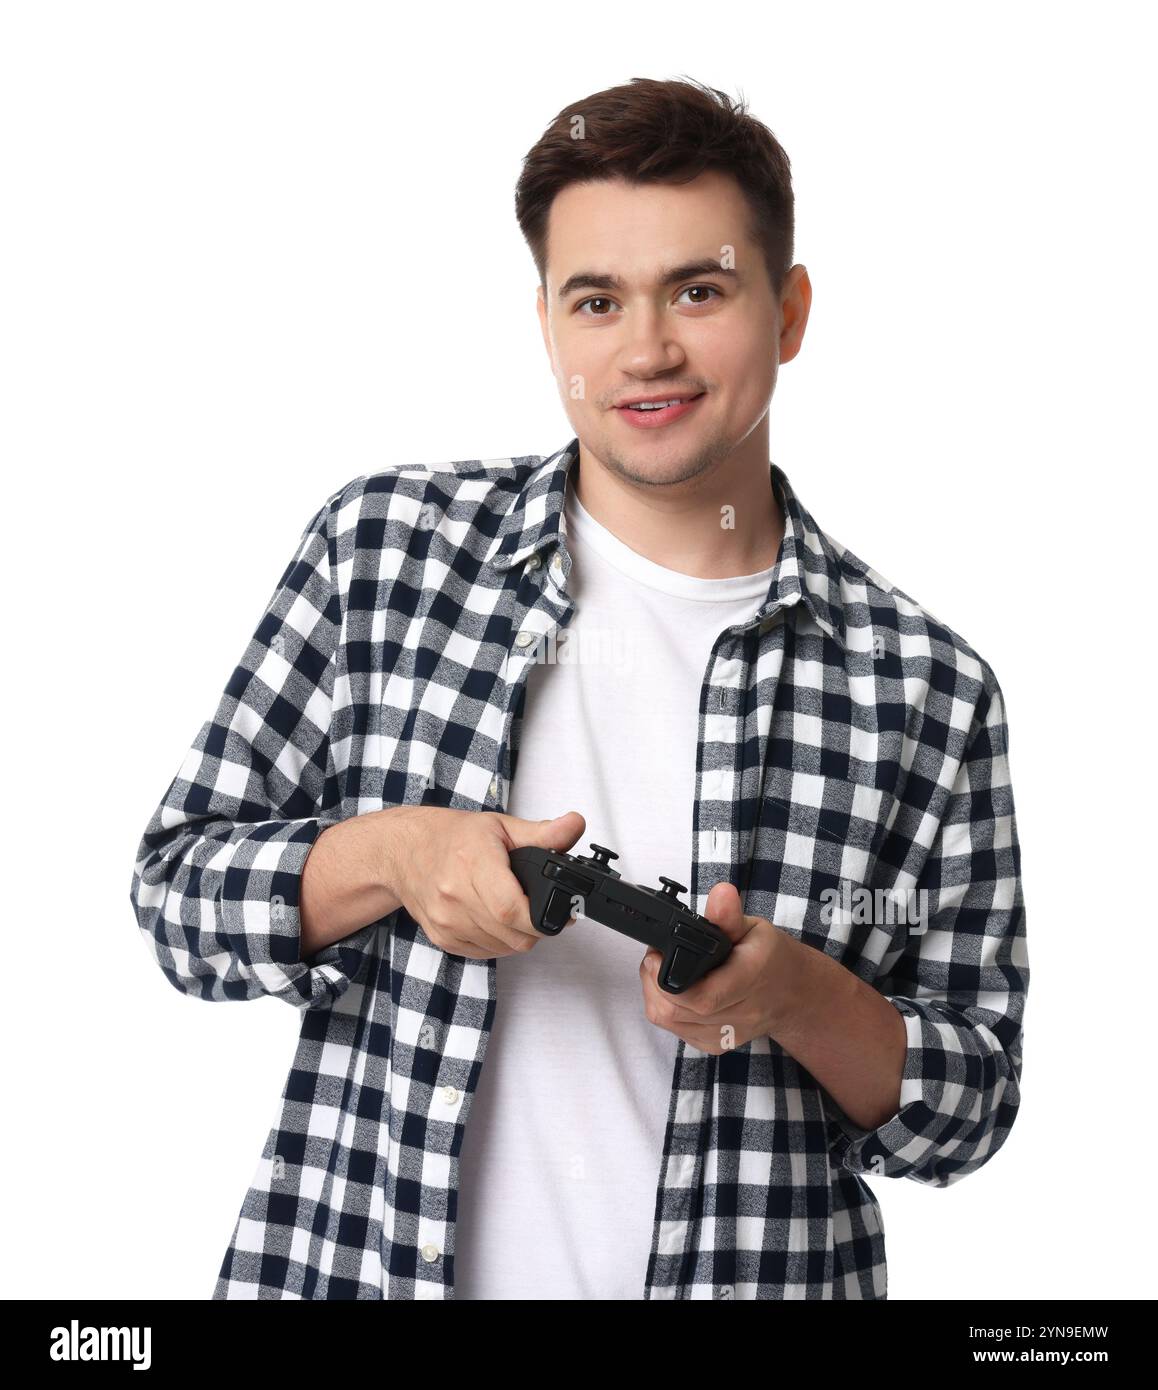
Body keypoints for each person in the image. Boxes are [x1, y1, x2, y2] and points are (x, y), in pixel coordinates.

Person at [129, 75, 1028, 1300]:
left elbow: (971, 1104)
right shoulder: (383, 550)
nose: (646, 349)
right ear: (549, 323)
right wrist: (387, 855)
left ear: (791, 310)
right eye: (597, 299)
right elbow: (178, 895)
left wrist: (802, 996)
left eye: (699, 290)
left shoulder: (927, 687)